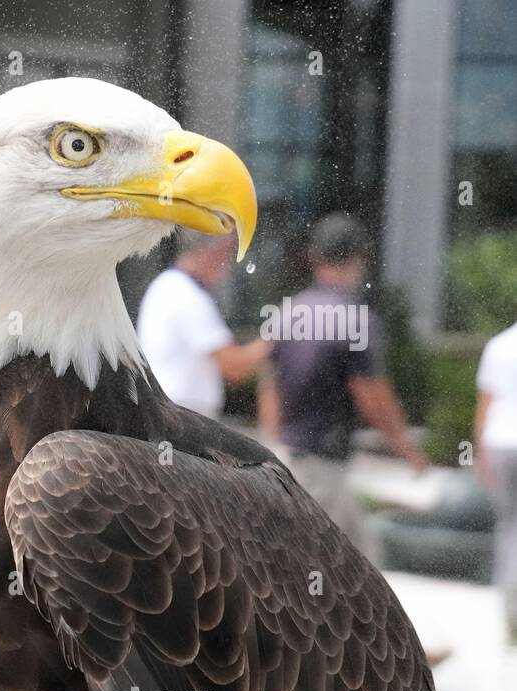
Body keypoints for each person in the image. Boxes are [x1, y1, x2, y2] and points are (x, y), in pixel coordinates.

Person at [257, 213, 428, 561]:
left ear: (313, 256)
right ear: (361, 258)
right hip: (322, 466)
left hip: (287, 458)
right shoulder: (355, 320)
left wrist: (272, 445)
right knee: (356, 573)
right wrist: (408, 451)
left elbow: (270, 384)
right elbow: (372, 397)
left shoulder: (289, 312)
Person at [136, 231, 271, 418]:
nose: (230, 260)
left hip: (178, 412)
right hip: (181, 416)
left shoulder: (170, 285)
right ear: (210, 251)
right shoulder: (184, 293)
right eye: (229, 251)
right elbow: (233, 367)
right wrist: (283, 336)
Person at [474, 322, 517, 644]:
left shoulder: (500, 344)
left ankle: (510, 609)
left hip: (500, 444)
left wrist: (480, 453)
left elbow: (485, 405)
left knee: (508, 528)